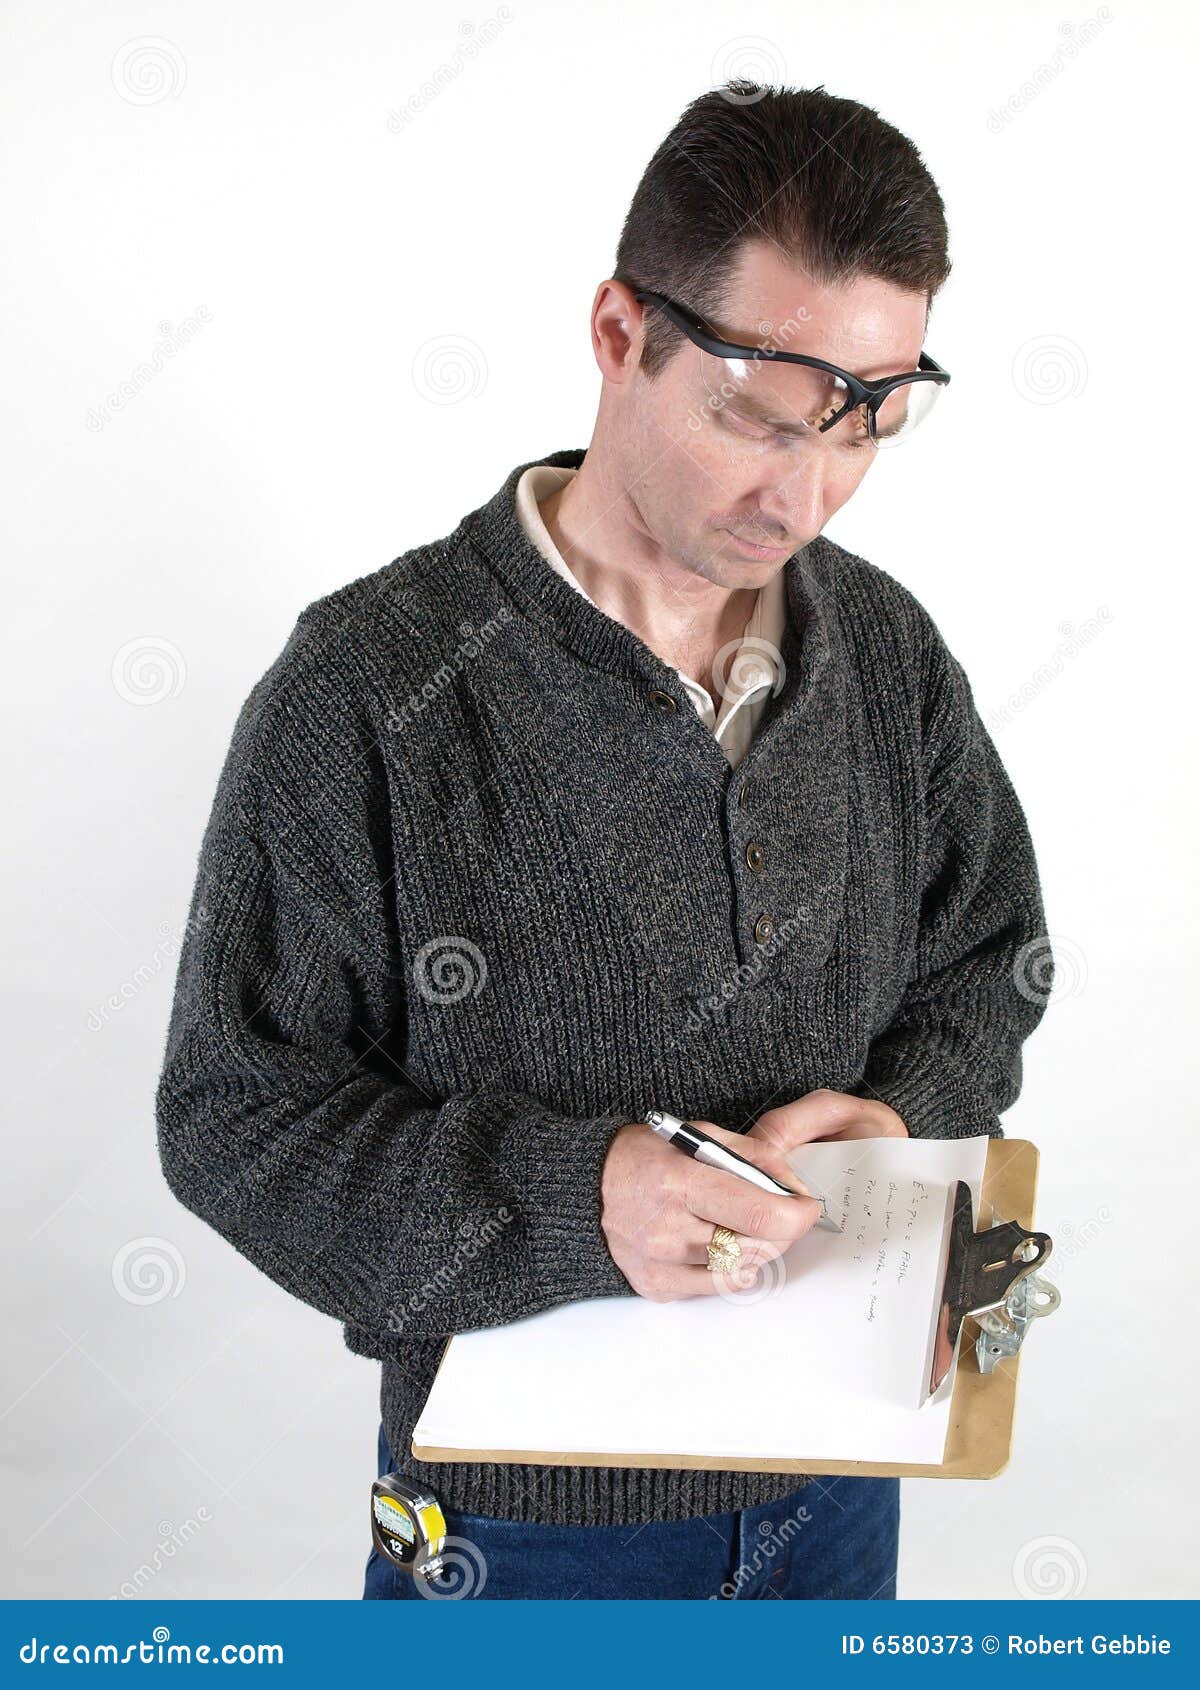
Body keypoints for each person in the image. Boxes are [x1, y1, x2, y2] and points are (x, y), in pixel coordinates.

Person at [155, 80, 1055, 1601]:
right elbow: (236, 1118)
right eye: (756, 422)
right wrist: (578, 1200)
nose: (807, 493)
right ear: (620, 334)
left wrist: (903, 1114)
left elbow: (990, 957)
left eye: (867, 427)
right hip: (510, 1544)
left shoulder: (889, 655)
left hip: (837, 1497)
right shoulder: (367, 690)